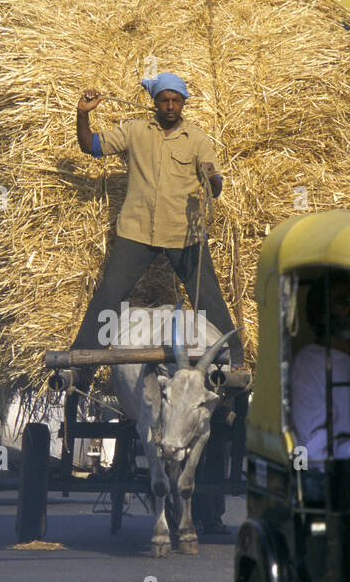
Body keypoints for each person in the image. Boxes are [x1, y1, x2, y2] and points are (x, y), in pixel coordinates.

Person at [71, 73, 244, 380]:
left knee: (208, 297)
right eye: (164, 100)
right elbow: (91, 147)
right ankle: (82, 364)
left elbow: (216, 188)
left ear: (183, 104)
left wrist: (210, 177)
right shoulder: (136, 131)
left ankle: (234, 359)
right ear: (155, 103)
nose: (170, 106)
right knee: (110, 295)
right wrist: (83, 115)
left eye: (176, 100)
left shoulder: (197, 139)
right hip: (137, 231)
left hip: (184, 234)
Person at [292, 273, 350, 464]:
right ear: (321, 315)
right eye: (342, 303)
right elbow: (315, 447)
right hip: (345, 468)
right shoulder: (308, 365)